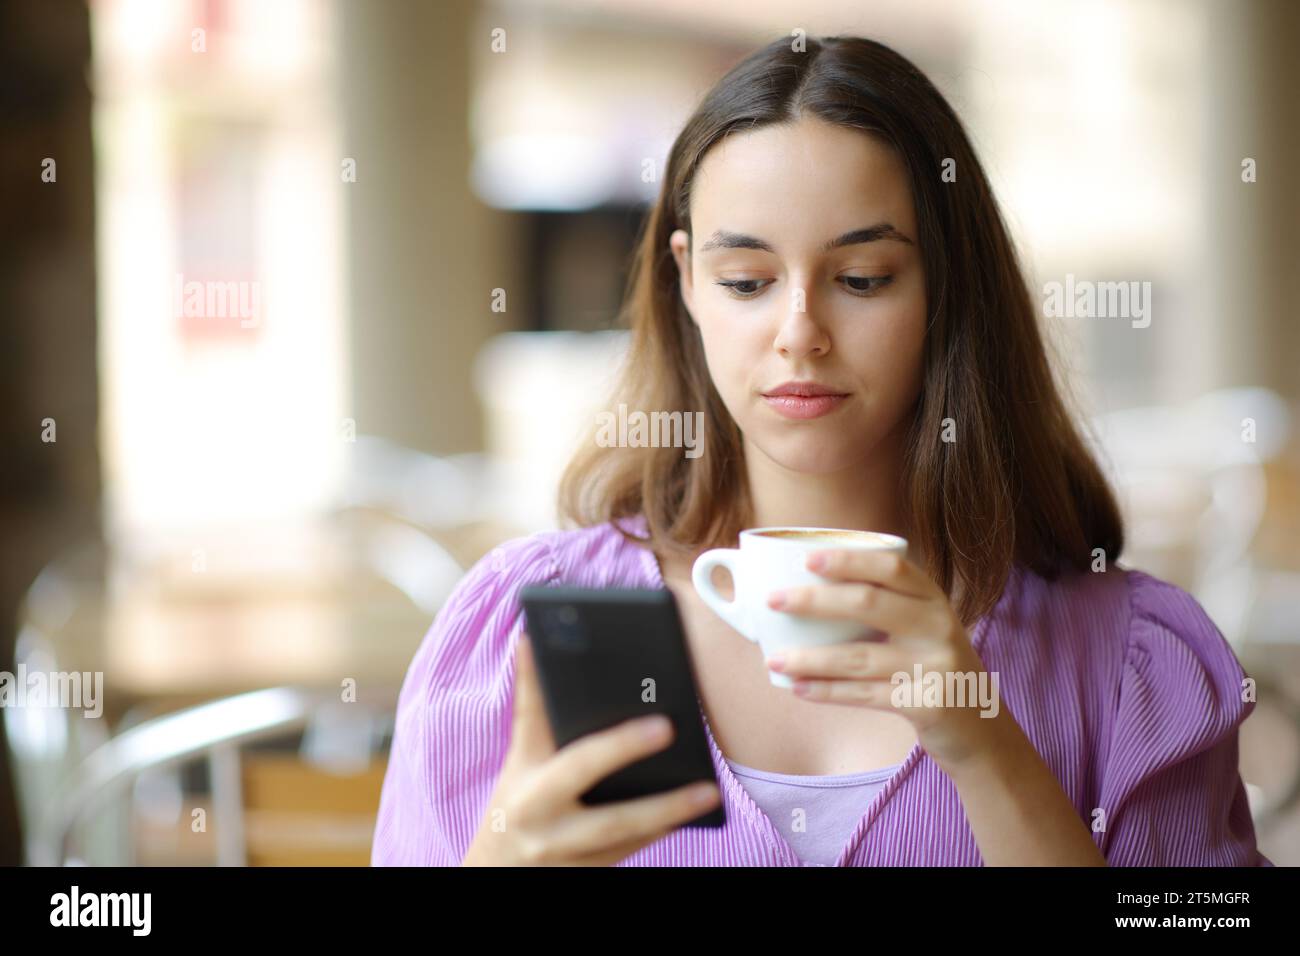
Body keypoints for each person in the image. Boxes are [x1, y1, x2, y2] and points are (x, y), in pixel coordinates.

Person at [371, 34, 1271, 866]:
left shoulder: (1127, 663)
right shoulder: (517, 635)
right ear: (686, 281)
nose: (800, 332)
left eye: (862, 279)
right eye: (747, 281)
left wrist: (985, 745)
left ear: (947, 284)